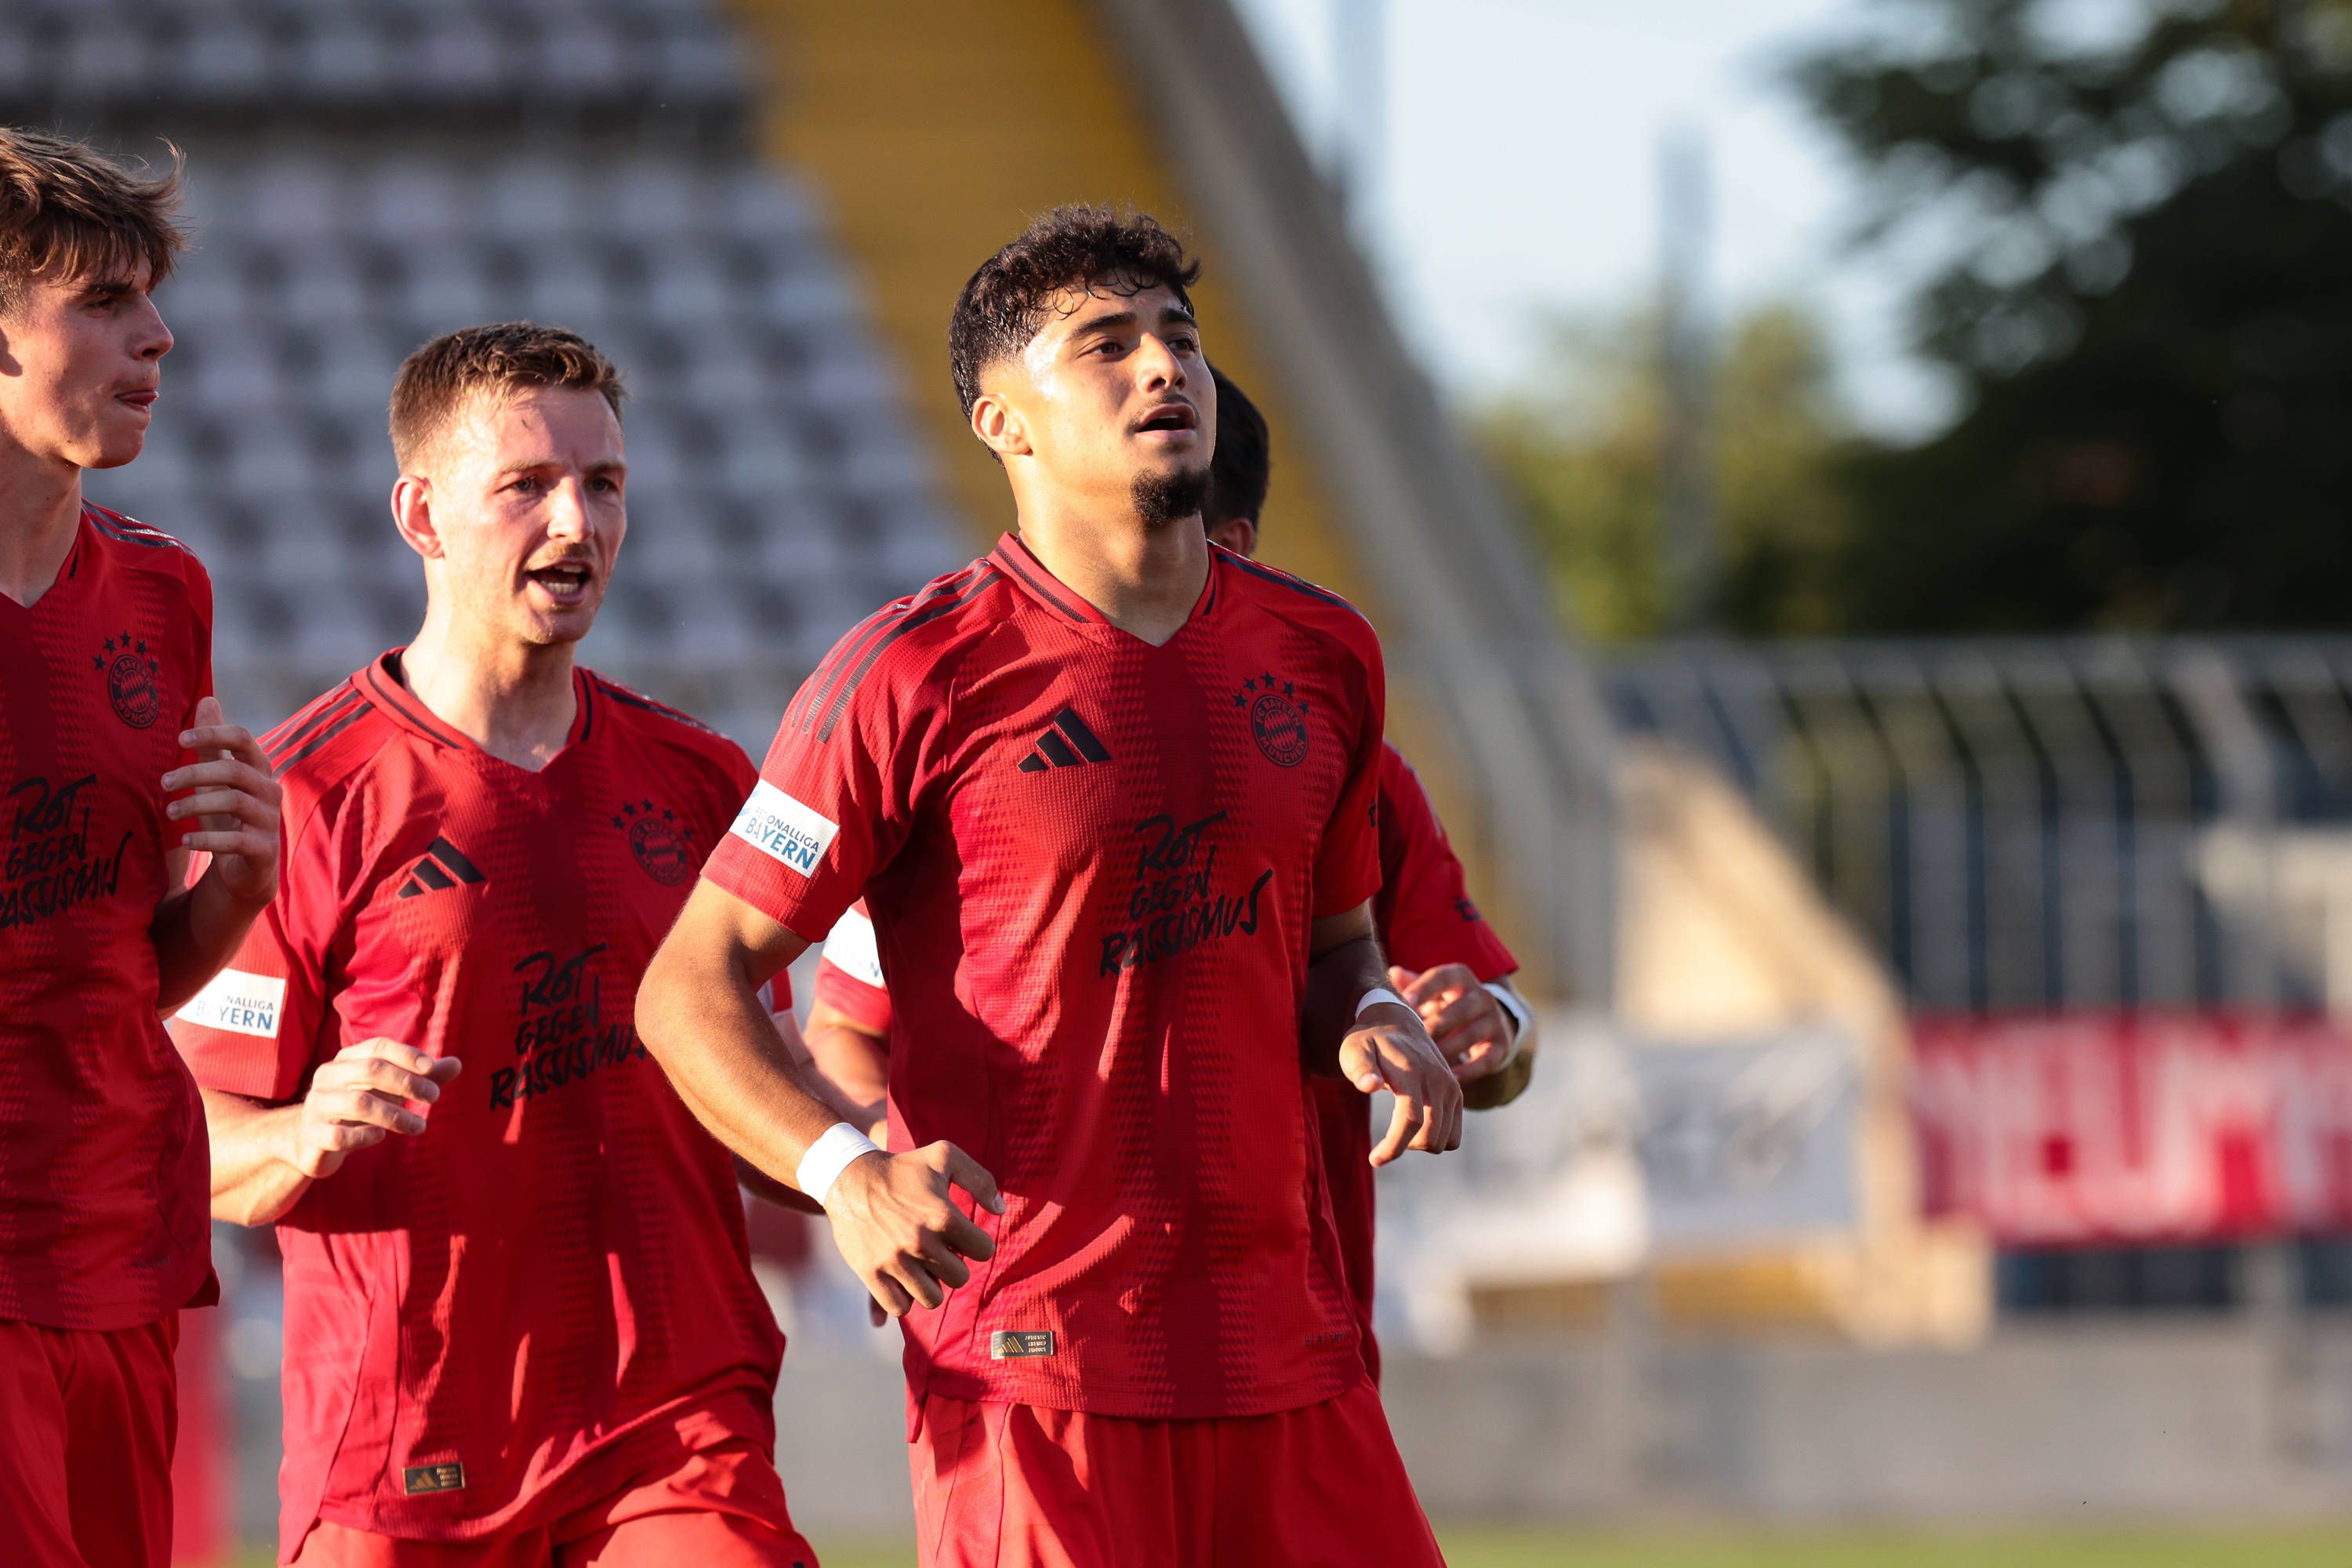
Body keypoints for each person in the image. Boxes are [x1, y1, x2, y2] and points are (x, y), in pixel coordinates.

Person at [638, 206, 1458, 1567]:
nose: (1164, 370)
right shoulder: (909, 675)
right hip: (1037, 1366)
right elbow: (688, 983)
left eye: (1180, 340)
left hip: (1291, 1349)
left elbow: (1340, 955)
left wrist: (1374, 1021)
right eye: (1107, 346)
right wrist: (846, 1171)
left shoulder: (1327, 654)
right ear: (1003, 422)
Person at [169, 325, 820, 1567]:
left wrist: (879, 1158)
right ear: (421, 512)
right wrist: (303, 1132)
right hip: (407, 1448)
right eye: (527, 486)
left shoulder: (701, 780)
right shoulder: (305, 798)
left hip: (675, 1425)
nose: (577, 524)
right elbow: (190, 1140)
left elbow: (762, 1084)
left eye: (604, 483)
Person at [804, 365, 1538, 1379]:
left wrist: (1488, 1031)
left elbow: (1491, 1039)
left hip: (1290, 1341)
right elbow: (841, 1030)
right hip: (1044, 1344)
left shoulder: (1349, 763)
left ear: (1230, 550)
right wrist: (871, 1175)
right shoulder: (956, 746)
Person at [0, 126, 282, 1568]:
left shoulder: (165, 591)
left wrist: (237, 889)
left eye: (151, 296)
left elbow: (127, 967)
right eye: (103, 297)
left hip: (119, 1239)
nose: (157, 335)